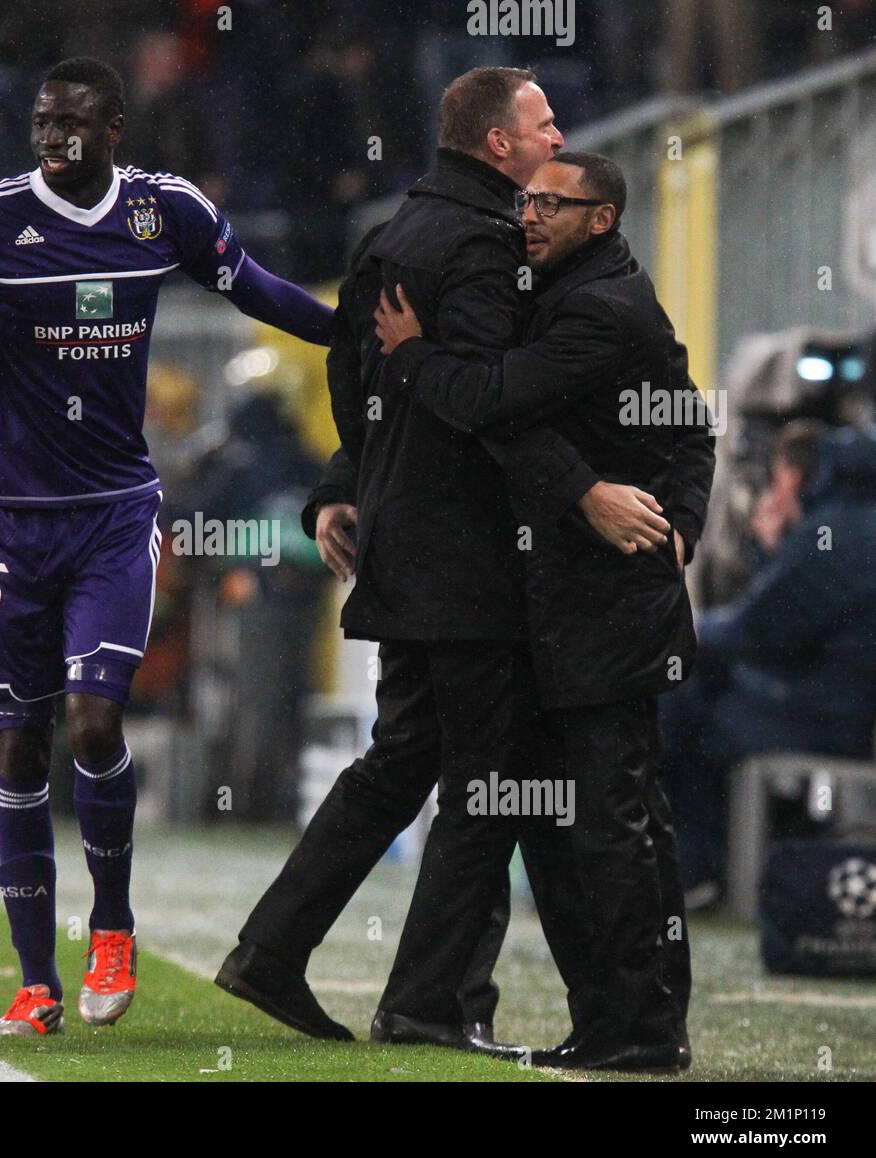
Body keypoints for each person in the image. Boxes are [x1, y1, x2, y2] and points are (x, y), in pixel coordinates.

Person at [0, 57, 334, 1037]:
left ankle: (115, 925)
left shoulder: (160, 209)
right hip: (13, 520)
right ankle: (35, 981)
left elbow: (252, 287)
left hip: (114, 517)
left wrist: (352, 336)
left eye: (73, 121)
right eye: (44, 121)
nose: (53, 137)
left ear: (116, 125)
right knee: (16, 740)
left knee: (93, 720)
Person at [218, 67, 650, 1048]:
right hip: (471, 554)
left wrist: (345, 484)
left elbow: (349, 365)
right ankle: (425, 1001)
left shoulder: (387, 236)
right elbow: (496, 403)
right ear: (498, 145)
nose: (558, 135)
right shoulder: (492, 248)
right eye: (544, 124)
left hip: (401, 542)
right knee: (484, 781)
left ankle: (273, 950)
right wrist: (583, 490)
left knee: (401, 757)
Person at [372, 151, 715, 1070]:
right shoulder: (578, 286)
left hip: (607, 612)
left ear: (600, 219)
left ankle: (639, 1033)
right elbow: (690, 426)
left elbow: (492, 403)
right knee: (592, 820)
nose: (529, 214)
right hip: (581, 607)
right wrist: (679, 517)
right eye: (526, 198)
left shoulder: (597, 311)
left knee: (610, 823)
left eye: (552, 204)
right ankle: (618, 1025)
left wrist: (411, 358)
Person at [662, 421, 876, 905]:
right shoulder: (848, 520)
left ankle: (692, 868)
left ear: (793, 476)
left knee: (684, 705)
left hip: (831, 716)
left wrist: (684, 630)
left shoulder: (832, 531)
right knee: (699, 687)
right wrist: (773, 550)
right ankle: (701, 868)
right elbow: (786, 622)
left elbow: (758, 633)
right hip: (838, 700)